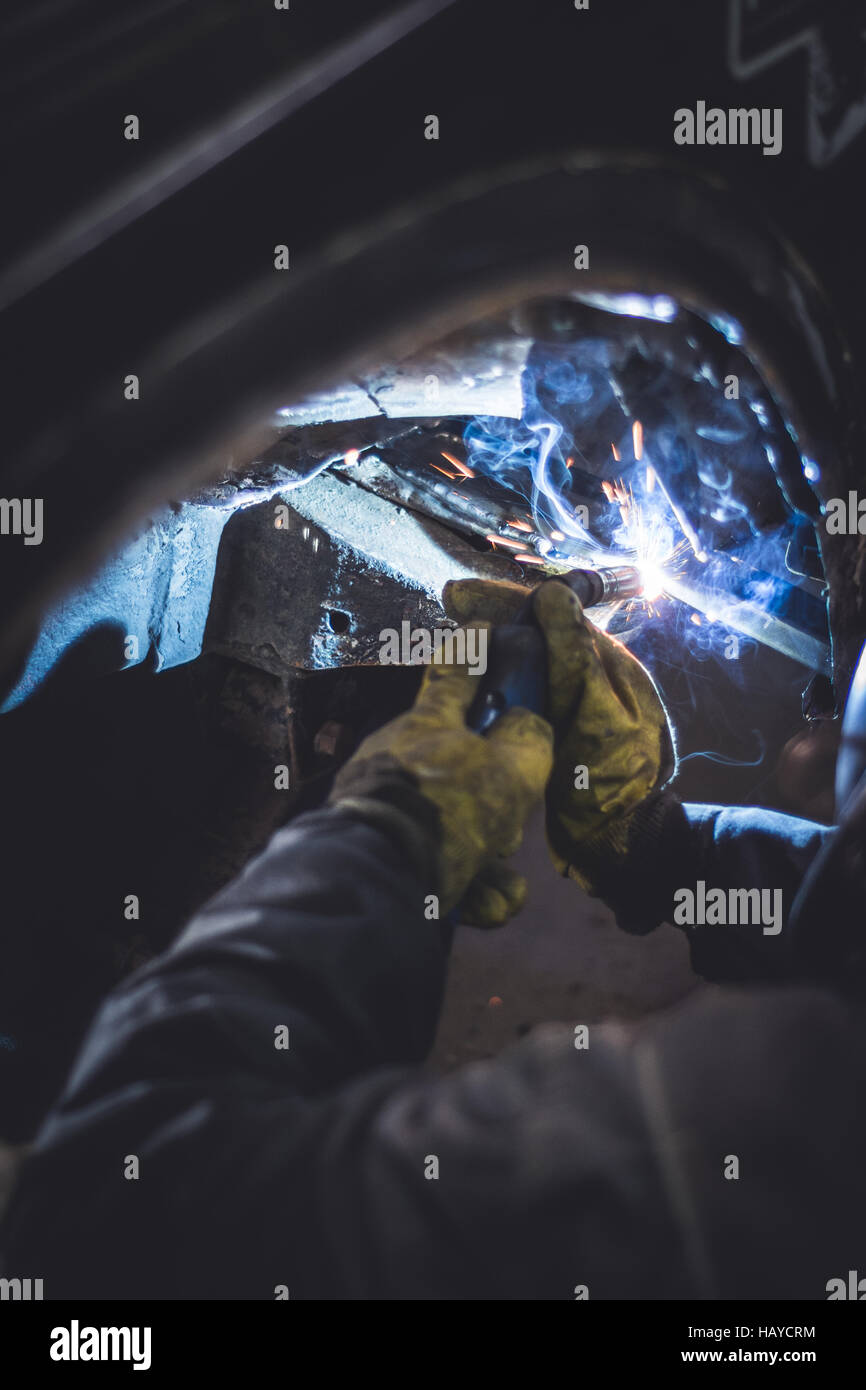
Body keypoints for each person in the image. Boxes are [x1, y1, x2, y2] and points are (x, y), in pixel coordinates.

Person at [2, 578, 865, 1300]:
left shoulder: (763, 1117)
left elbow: (116, 1203)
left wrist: (384, 833)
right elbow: (843, 926)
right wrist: (662, 850)